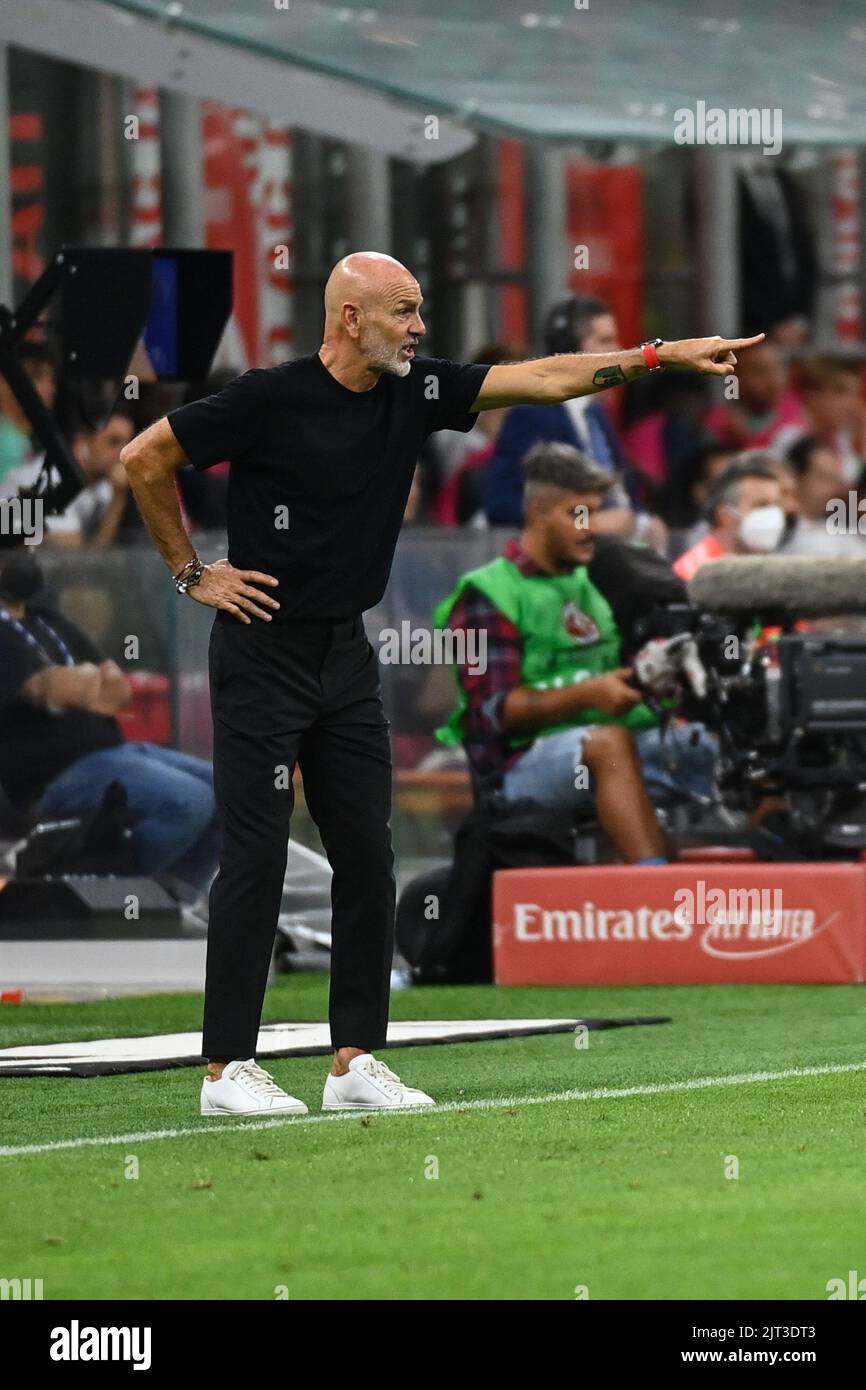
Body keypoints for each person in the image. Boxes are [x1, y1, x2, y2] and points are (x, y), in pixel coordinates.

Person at [120, 248, 760, 1118]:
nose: (420, 328)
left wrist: (656, 356)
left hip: (345, 655)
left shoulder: (416, 391)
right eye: (404, 311)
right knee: (258, 853)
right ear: (350, 318)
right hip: (261, 650)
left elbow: (540, 379)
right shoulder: (269, 398)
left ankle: (354, 1061)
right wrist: (193, 576)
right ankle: (226, 1070)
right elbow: (144, 458)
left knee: (369, 854)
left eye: (420, 312)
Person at [434, 443, 717, 857]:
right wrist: (590, 695)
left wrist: (651, 683)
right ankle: (661, 893)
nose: (590, 527)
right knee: (608, 745)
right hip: (516, 770)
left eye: (596, 512)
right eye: (576, 514)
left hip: (601, 745)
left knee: (707, 745)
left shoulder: (592, 584)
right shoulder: (488, 593)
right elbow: (491, 716)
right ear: (538, 514)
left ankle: (775, 866)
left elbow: (607, 678)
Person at [0, 548, 220, 905]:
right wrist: (76, 684)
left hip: (113, 752)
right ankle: (118, 894)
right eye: (10, 554)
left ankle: (175, 902)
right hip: (55, 774)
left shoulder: (47, 621)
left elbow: (117, 688)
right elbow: (48, 688)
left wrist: (80, 686)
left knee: (229, 792)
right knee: (189, 803)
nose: (24, 561)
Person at [674, 453, 786, 582]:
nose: (773, 515)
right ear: (725, 515)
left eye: (777, 504)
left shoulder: (768, 570)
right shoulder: (695, 574)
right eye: (761, 505)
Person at [703, 341, 806, 453]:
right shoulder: (721, 423)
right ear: (735, 376)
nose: (773, 379)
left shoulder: (799, 410)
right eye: (760, 372)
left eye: (777, 368)